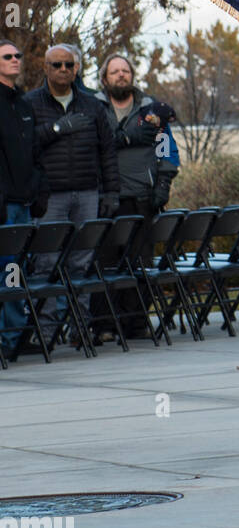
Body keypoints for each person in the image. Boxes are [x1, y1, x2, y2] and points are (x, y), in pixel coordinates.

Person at [26, 44, 120, 348]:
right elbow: (24, 147)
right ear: (45, 68)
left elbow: (108, 152)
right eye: (56, 65)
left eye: (69, 64)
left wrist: (112, 192)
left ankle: (81, 328)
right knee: (46, 265)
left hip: (87, 194)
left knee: (81, 263)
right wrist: (56, 128)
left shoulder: (93, 105)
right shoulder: (30, 104)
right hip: (50, 197)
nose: (63, 70)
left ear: (76, 68)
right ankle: (47, 332)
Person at [92, 53, 179, 339]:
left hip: (143, 197)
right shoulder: (94, 107)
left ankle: (136, 322)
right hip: (105, 198)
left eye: (125, 71)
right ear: (105, 78)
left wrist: (163, 184)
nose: (121, 75)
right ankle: (105, 325)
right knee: (105, 262)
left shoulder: (150, 109)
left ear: (132, 75)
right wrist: (126, 139)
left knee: (140, 263)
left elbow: (166, 148)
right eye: (114, 71)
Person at [0, 39, 49, 359]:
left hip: (25, 205)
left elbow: (34, 153)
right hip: (4, 207)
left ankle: (13, 339)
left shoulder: (23, 103)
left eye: (18, 55)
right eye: (8, 56)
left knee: (16, 273)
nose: (16, 60)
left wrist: (37, 189)